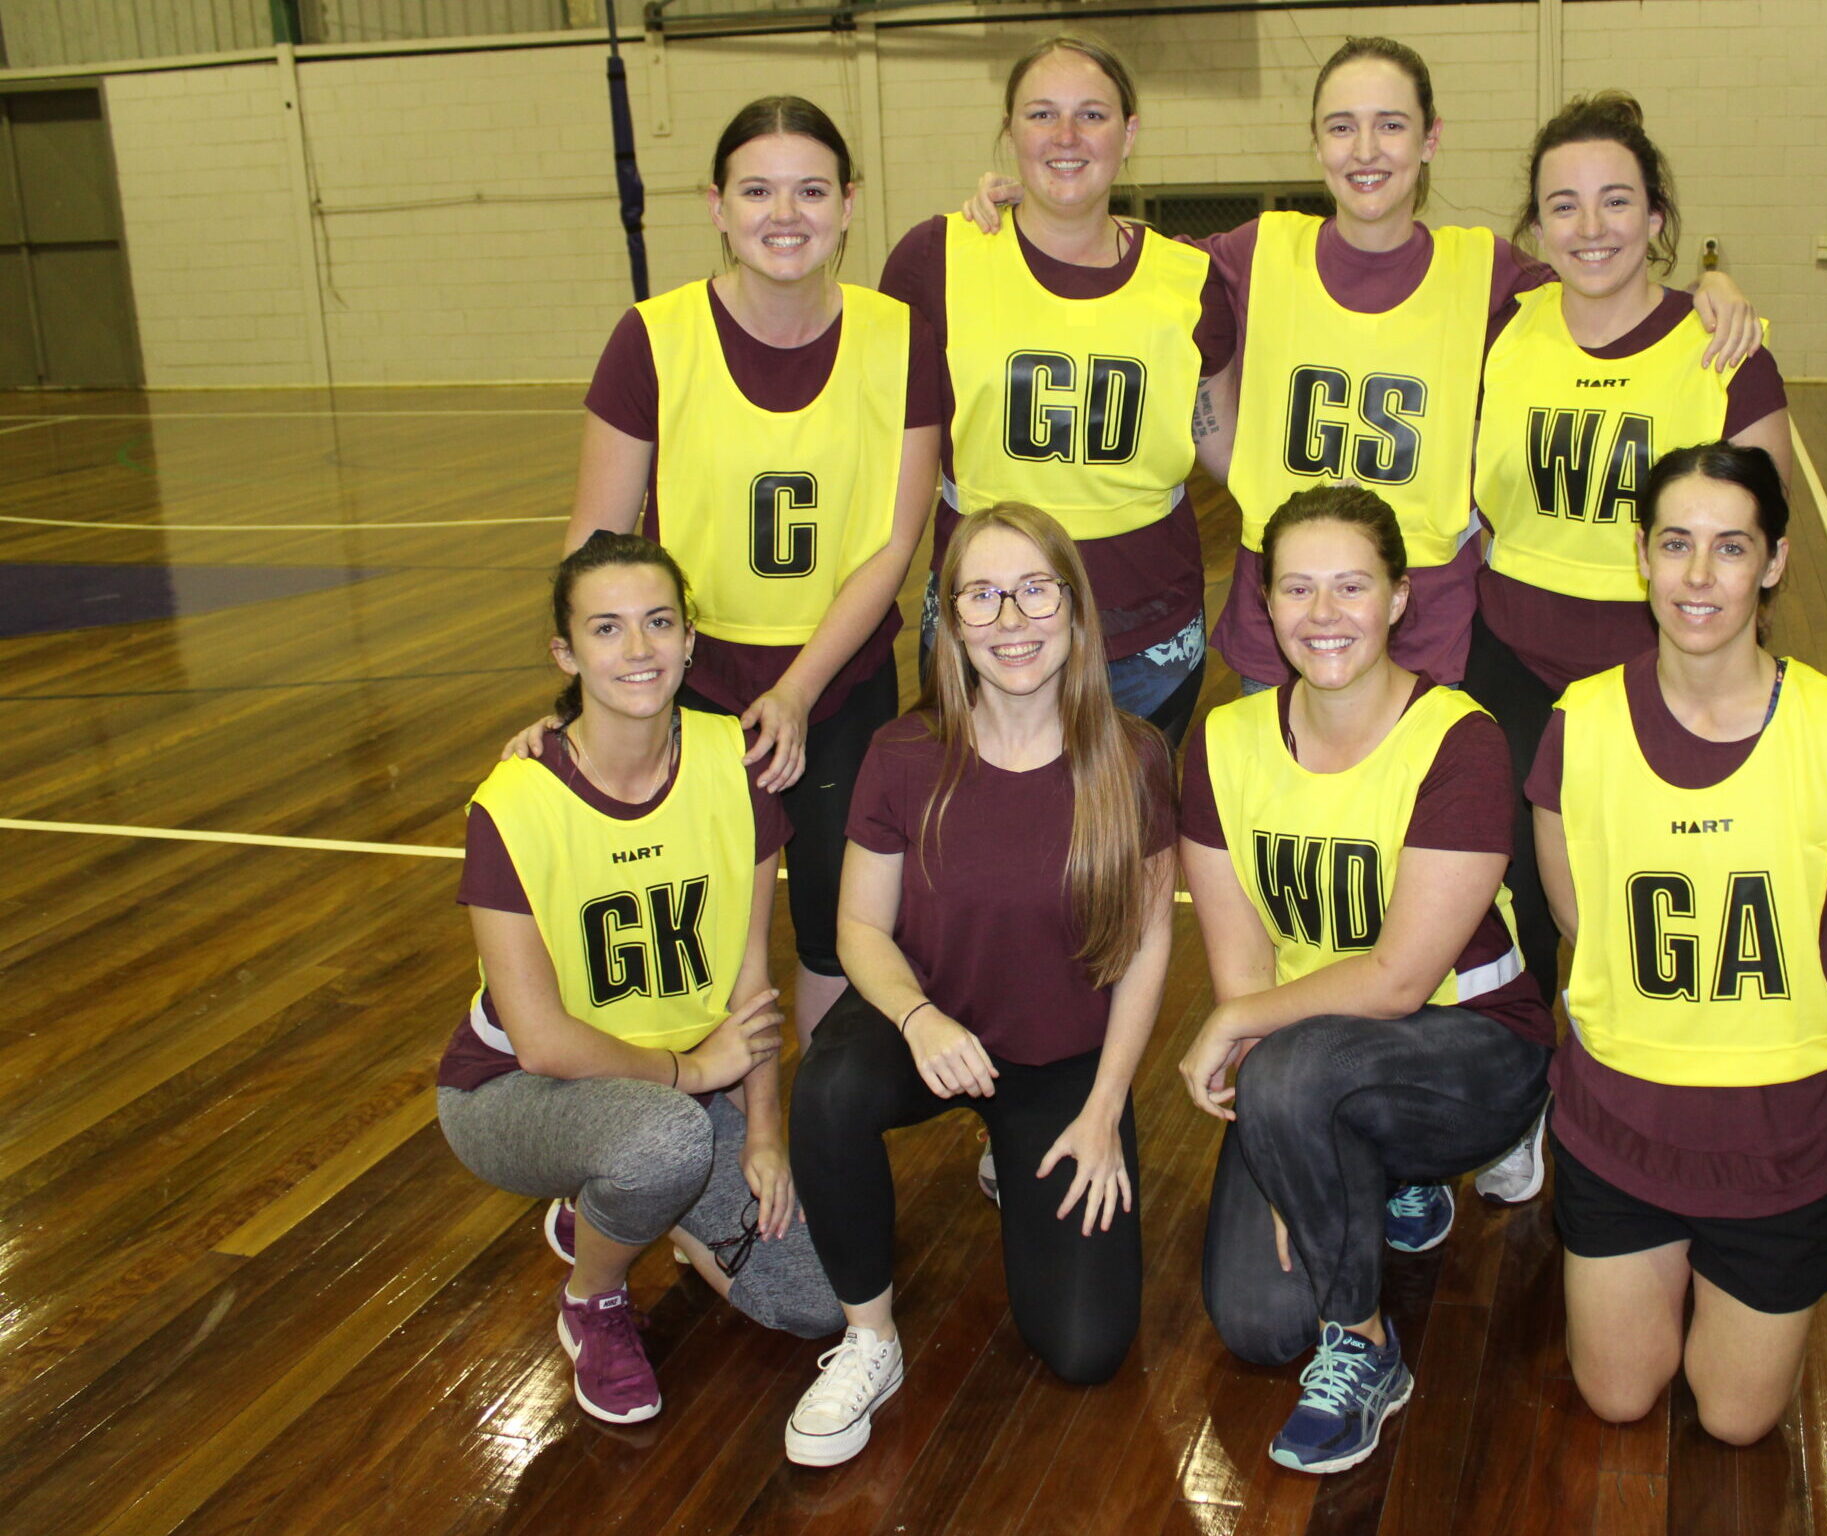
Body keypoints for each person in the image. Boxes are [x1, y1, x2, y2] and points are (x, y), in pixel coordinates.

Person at [511, 96, 939, 1045]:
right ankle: (690, 1123)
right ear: (715, 205)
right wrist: (581, 698)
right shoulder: (653, 338)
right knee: (693, 924)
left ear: (849, 203)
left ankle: (806, 1137)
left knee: (838, 925)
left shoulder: (900, 337)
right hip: (684, 687)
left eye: (810, 190)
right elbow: (597, 542)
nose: (784, 214)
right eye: (756, 190)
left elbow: (893, 547)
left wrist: (796, 691)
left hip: (837, 686)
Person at [1529, 442, 1827, 1443]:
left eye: (1730, 548)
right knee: (1617, 1396)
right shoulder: (1580, 722)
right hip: (1621, 1122)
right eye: (1675, 545)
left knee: (1739, 1422)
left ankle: (1735, 1272)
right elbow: (1580, 920)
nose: (1698, 578)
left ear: (1774, 562)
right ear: (1641, 557)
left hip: (1779, 1142)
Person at [782, 504, 1177, 1467]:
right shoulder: (905, 755)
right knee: (829, 1088)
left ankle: (1020, 1151)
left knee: (1084, 1351)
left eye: (1037, 590)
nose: (1012, 619)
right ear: (951, 623)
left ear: (1077, 614)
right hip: (939, 1026)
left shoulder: (1133, 759)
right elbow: (860, 931)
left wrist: (1105, 1107)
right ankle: (869, 1337)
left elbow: (1149, 946)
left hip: (1060, 1064)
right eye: (983, 596)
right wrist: (917, 1020)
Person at [1177, 486, 1555, 1474]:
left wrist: (1258, 1060)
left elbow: (1396, 980)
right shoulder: (1223, 745)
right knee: (1259, 1324)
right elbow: (1244, 970)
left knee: (1298, 1075)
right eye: (1296, 588)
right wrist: (1279, 1150)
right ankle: (1377, 1176)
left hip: (1474, 1048)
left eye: (1351, 585)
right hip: (1312, 1054)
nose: (1323, 613)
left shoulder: (1461, 740)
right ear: (1263, 604)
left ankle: (1366, 1347)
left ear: (1398, 598)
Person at [1192, 36, 1762, 690]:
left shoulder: (1487, 268)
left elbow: (1606, 276)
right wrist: (1228, 454)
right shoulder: (1259, 249)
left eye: (1392, 125)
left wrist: (1708, 290)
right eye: (1342, 127)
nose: (1367, 149)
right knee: (1277, 787)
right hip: (1287, 610)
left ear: (1431, 139)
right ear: (1316, 142)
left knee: (1429, 788)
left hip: (1425, 615)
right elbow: (1138, 280)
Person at [1462, 92, 1791, 1203]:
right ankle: (1518, 1103)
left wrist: (1723, 286)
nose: (1588, 225)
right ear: (1535, 223)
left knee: (1633, 896)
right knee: (1507, 900)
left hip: (1654, 665)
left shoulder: (1719, 348)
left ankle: (1650, 1106)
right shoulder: (1500, 325)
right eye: (1562, 204)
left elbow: (1763, 530)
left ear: (1658, 216)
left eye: (1615, 200)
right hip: (1509, 649)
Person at [439, 533, 843, 1427]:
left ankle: (610, 1208)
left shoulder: (731, 767)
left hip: (674, 1088)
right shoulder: (511, 802)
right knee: (663, 1143)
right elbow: (542, 1038)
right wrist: (699, 1078)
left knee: (815, 1296)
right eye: (607, 629)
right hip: (520, 1089)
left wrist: (766, 1131)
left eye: (659, 623)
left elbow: (751, 983)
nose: (638, 651)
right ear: (567, 652)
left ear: (690, 639)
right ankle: (595, 1297)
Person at [887, 37, 1234, 746]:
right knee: (988, 842)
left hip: (1146, 634)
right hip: (985, 628)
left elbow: (1228, 447)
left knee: (1130, 845)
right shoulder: (936, 259)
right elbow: (892, 462)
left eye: (1093, 115)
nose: (1067, 137)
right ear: (1009, 131)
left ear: (1130, 133)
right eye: (1042, 115)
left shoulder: (1188, 279)